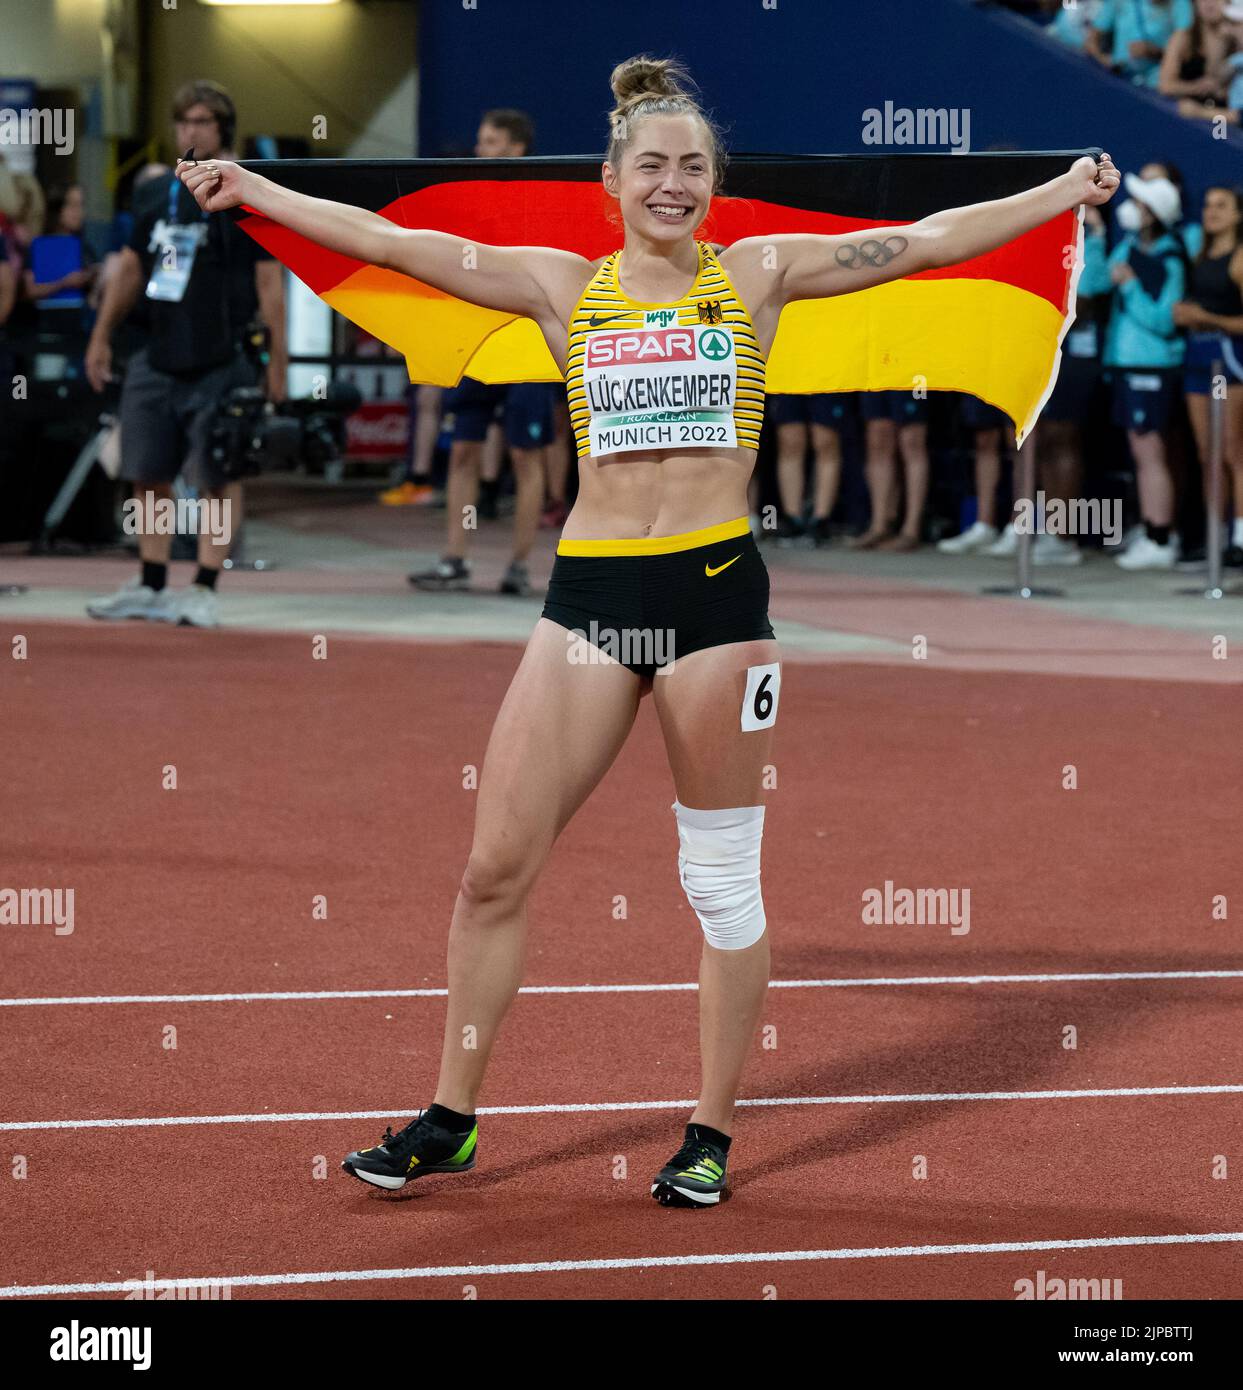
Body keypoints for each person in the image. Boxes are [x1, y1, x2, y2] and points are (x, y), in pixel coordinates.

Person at [178, 55, 1118, 1208]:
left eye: (693, 167)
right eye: (652, 166)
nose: (673, 184)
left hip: (717, 603)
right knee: (491, 871)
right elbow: (385, 244)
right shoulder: (561, 287)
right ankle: (450, 1117)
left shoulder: (761, 272)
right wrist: (256, 189)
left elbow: (925, 239)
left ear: (714, 185)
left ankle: (709, 1130)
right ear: (611, 182)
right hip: (589, 599)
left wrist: (1061, 190)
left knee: (720, 886)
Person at [83, 80, 286, 628]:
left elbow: (270, 284)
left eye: (202, 122)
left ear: (222, 129)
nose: (191, 131)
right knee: (146, 470)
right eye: (183, 122)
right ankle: (150, 583)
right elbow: (129, 270)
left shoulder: (245, 193)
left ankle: (204, 587)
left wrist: (280, 365)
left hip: (222, 354)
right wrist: (102, 335)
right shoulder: (154, 193)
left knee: (217, 476)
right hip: (156, 351)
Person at [408, 109, 557, 597]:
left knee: (524, 454)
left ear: (516, 148)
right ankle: (454, 560)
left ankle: (517, 565)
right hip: (478, 341)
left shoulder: (543, 202)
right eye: (480, 139)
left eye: (490, 141)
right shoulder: (467, 202)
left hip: (528, 346)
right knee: (463, 452)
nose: (480, 149)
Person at [1104, 172, 1188, 569]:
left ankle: (1160, 537)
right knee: (1143, 454)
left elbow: (1165, 320)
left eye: (1140, 205)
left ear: (1153, 213)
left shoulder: (1169, 258)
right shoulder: (1133, 246)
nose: (1132, 210)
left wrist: (1132, 287)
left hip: (1152, 364)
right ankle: (1153, 526)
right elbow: (1106, 274)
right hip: (1127, 362)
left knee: (1151, 454)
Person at [1174, 184, 1243, 565]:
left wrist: (1205, 318)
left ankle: (1241, 538)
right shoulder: (1200, 256)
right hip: (1198, 359)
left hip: (1230, 360)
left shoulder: (1239, 258)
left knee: (1235, 451)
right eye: (1207, 205)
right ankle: (1214, 539)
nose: (1211, 212)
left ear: (1237, 215)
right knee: (1208, 455)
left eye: (1221, 206)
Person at [765, 393, 853, 546]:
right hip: (790, 375)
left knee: (825, 441)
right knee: (789, 442)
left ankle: (821, 520)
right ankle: (792, 519)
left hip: (826, 375)